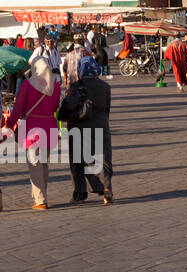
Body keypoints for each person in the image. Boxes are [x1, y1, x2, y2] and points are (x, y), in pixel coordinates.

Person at [1, 57, 61, 210]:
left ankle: (40, 200)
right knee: (44, 164)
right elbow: (55, 107)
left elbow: (18, 108)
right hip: (49, 127)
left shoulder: (28, 85)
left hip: (32, 128)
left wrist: (8, 125)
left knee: (35, 164)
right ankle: (40, 195)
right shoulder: (55, 86)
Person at [66, 59, 113, 205]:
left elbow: (69, 106)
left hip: (79, 127)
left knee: (78, 161)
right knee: (103, 159)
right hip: (101, 126)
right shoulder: (105, 86)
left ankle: (80, 193)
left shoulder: (77, 86)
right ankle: (107, 189)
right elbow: (107, 108)